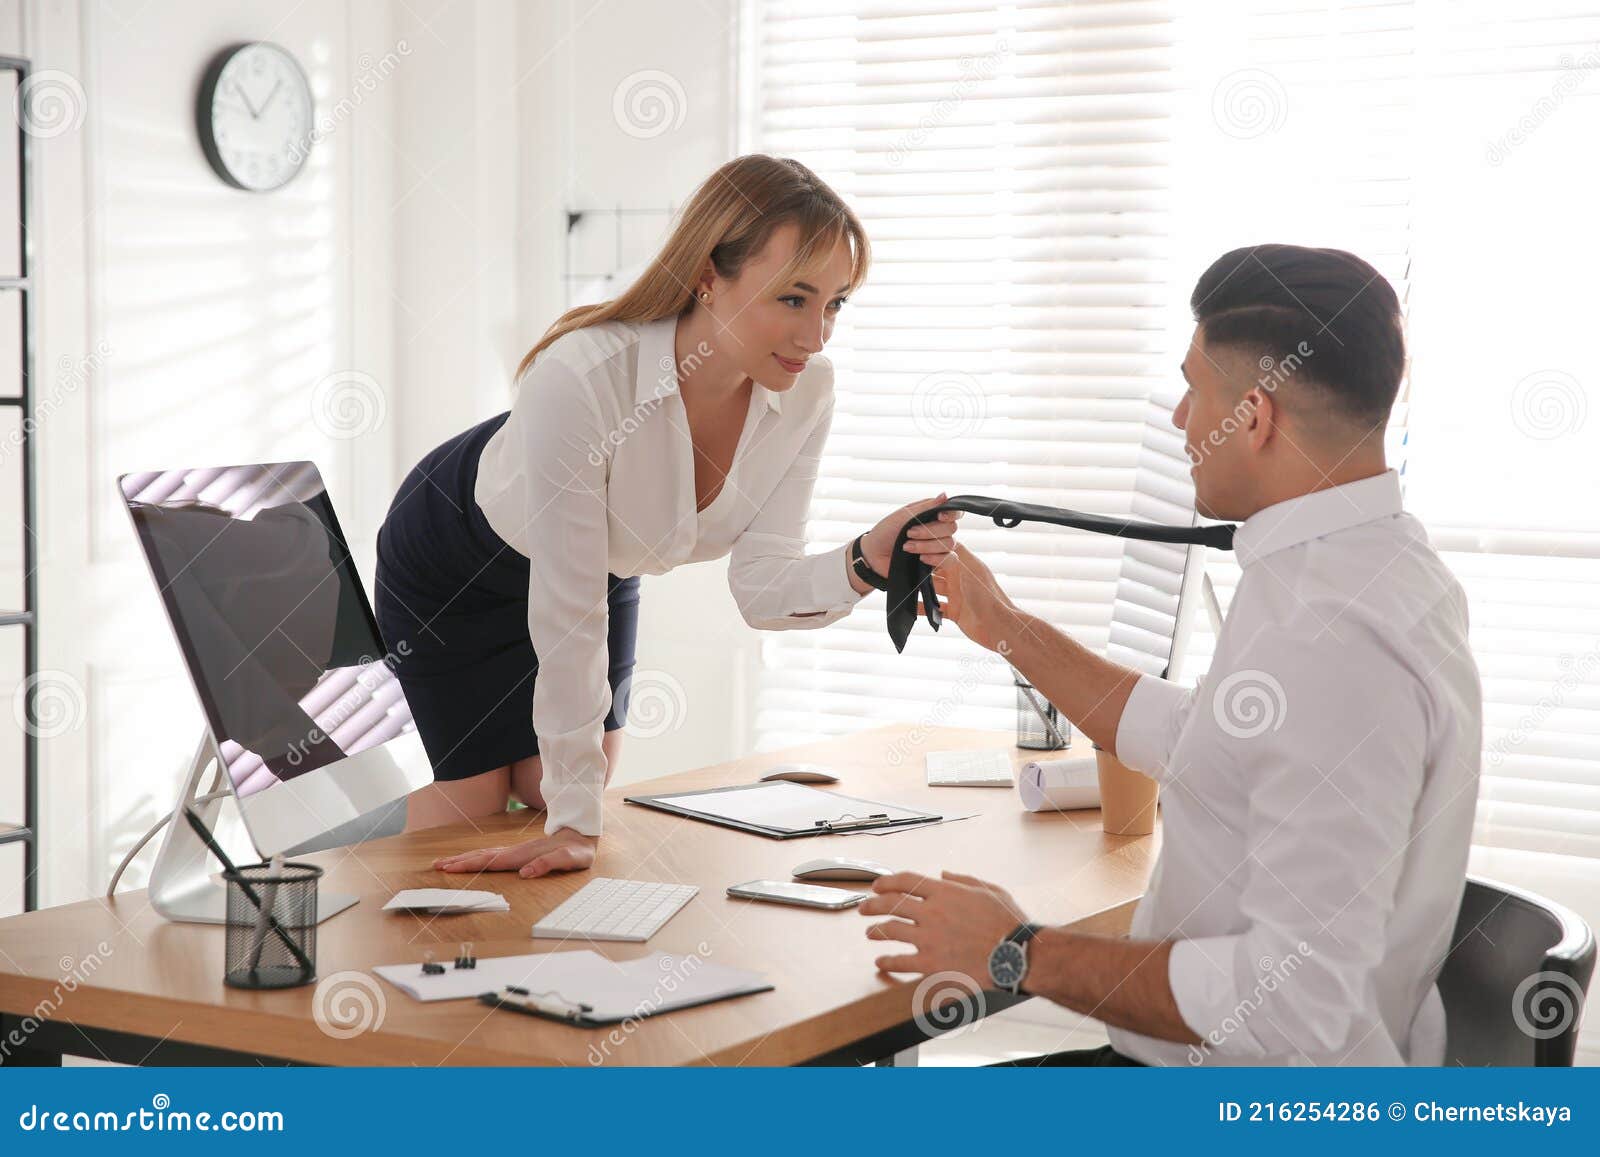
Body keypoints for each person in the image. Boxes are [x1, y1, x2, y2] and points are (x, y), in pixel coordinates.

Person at [860, 244, 1482, 1066]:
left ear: (1255, 416)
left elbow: (1298, 1008)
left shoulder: (1331, 634)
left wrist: (1017, 950)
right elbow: (1207, 738)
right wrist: (1003, 623)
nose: (1181, 419)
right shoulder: (1371, 564)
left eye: (1194, 388)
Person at [373, 154, 962, 879]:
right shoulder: (580, 376)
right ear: (710, 277)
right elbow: (568, 614)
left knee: (550, 786)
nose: (817, 336)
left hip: (603, 561)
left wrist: (867, 558)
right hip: (457, 557)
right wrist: (573, 826)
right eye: (793, 299)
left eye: (836, 303)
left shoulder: (808, 393)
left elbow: (763, 588)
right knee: (481, 799)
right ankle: (329, 868)